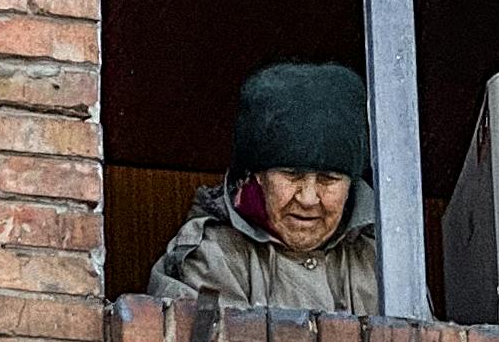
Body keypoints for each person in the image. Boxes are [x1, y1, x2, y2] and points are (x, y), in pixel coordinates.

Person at [148, 62, 382, 315]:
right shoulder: (211, 257)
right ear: (258, 175)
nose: (308, 199)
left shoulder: (383, 257)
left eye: (328, 178)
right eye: (292, 175)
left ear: (351, 185)